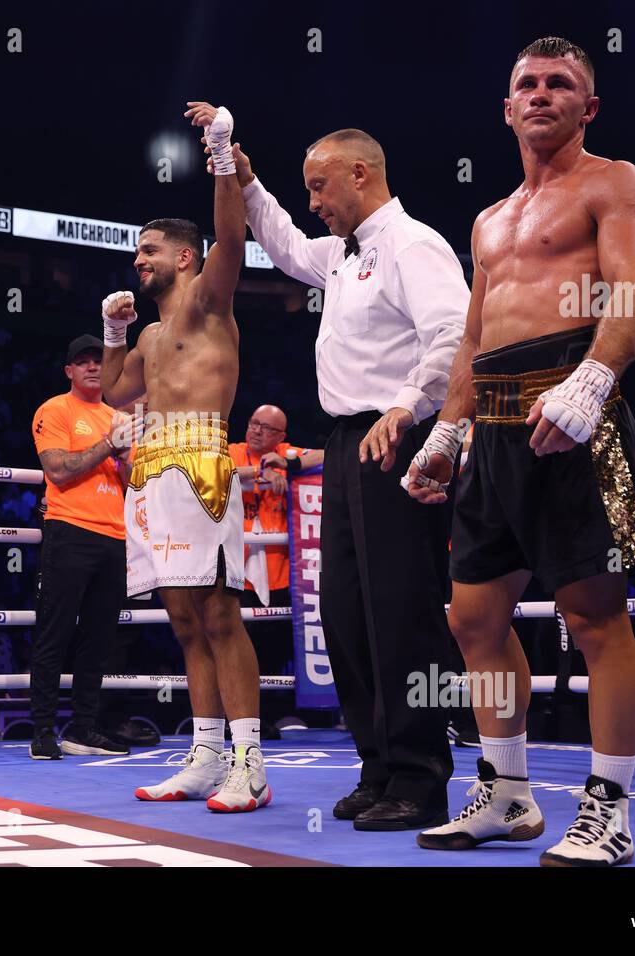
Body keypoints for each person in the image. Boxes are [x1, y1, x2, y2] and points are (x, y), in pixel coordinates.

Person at [406, 37, 635, 866]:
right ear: (508, 106)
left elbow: (632, 295)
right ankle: (509, 794)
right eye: (529, 83)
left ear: (588, 108)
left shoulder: (614, 182)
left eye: (562, 84)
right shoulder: (487, 219)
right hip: (496, 429)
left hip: (574, 420)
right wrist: (448, 432)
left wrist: (591, 383)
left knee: (594, 618)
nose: (543, 93)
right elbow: (475, 338)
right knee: (473, 618)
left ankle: (610, 809)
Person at [198, 101, 468, 829]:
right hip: (344, 446)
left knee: (402, 611)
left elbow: (454, 332)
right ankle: (378, 766)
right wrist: (247, 183)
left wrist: (407, 407)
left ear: (360, 173)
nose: (313, 202)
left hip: (398, 435)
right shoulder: (342, 254)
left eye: (319, 187)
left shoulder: (414, 244)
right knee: (345, 612)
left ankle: (421, 777)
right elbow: (283, 246)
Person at [100, 104, 268, 812]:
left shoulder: (209, 301)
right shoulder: (150, 337)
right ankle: (204, 753)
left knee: (221, 616)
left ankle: (251, 764)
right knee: (184, 619)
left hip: (203, 461)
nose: (138, 261)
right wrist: (112, 330)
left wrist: (223, 151)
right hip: (153, 470)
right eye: (136, 253)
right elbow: (113, 392)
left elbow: (232, 233)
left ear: (183, 257)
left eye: (148, 251)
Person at [28, 334, 133, 759]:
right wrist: (110, 444)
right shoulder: (55, 410)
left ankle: (83, 730)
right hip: (69, 531)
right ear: (69, 370)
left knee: (99, 639)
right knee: (54, 632)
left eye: (98, 361)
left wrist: (125, 458)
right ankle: (41, 732)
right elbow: (58, 470)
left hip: (115, 536)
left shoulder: (119, 416)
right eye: (83, 361)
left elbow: (132, 485)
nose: (92, 367)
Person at [228, 404, 323, 610]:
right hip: (239, 571)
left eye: (267, 428)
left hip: (285, 571)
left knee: (280, 636)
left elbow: (327, 455)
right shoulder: (233, 451)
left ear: (281, 436)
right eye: (254, 423)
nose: (257, 431)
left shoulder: (286, 453)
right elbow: (215, 473)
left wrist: (289, 464)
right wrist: (258, 471)